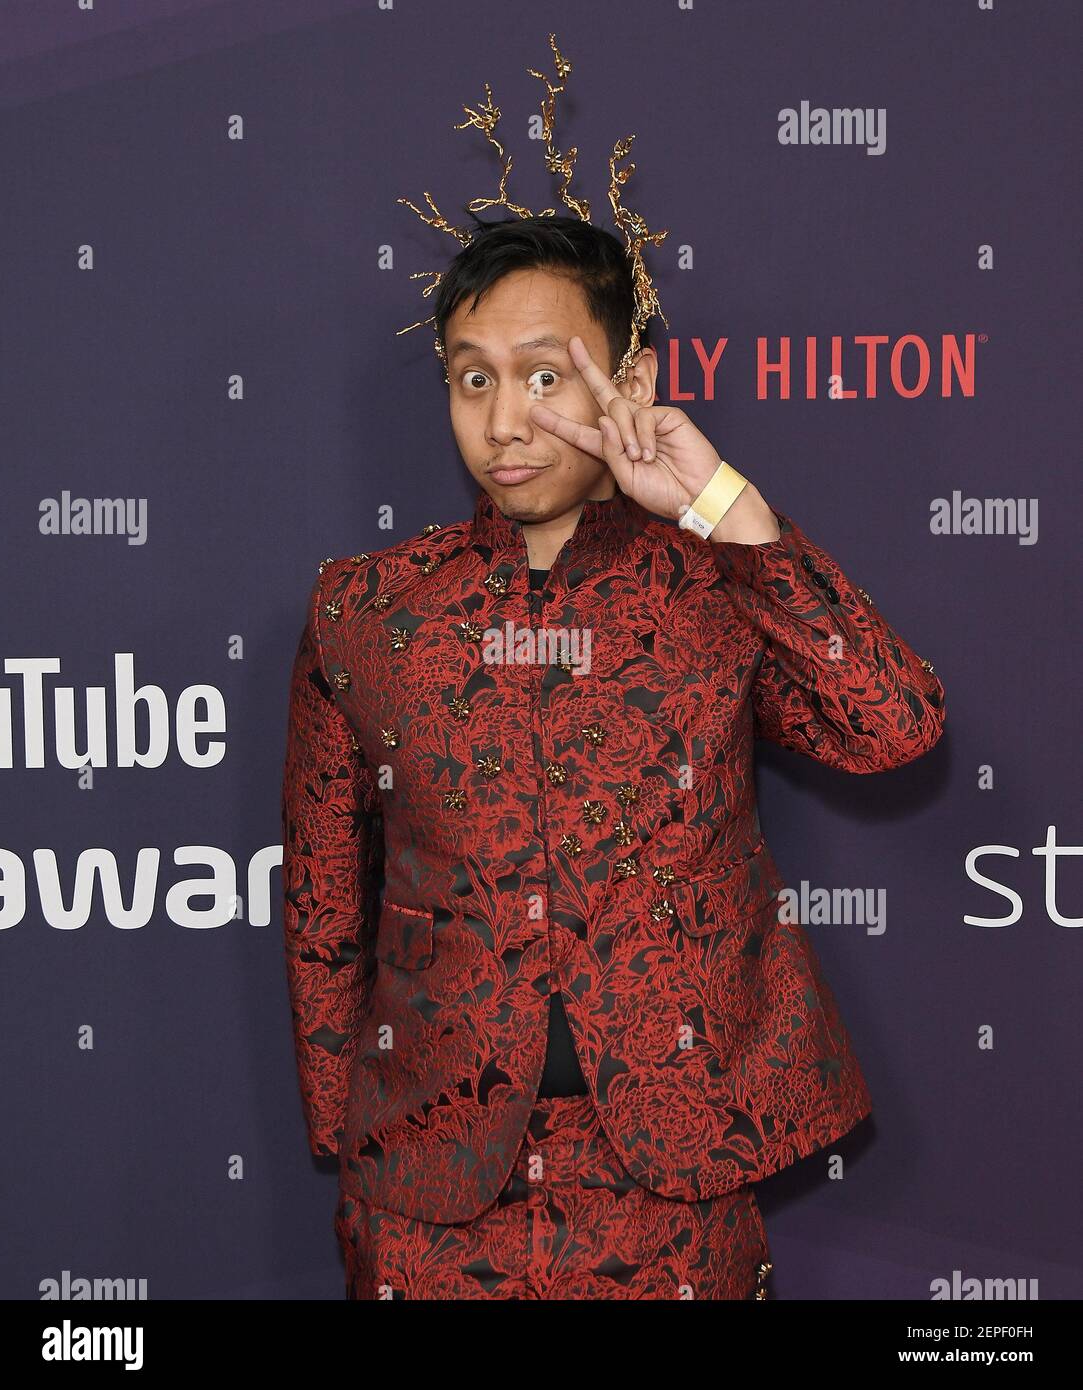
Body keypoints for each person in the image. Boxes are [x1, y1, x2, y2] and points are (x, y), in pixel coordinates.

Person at [281, 38, 945, 1299]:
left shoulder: (715, 581)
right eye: (473, 379)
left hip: (671, 1177)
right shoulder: (364, 608)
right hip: (430, 1186)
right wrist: (353, 1127)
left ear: (627, 378)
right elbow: (322, 909)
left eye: (546, 375)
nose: (506, 419)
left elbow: (893, 726)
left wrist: (716, 501)